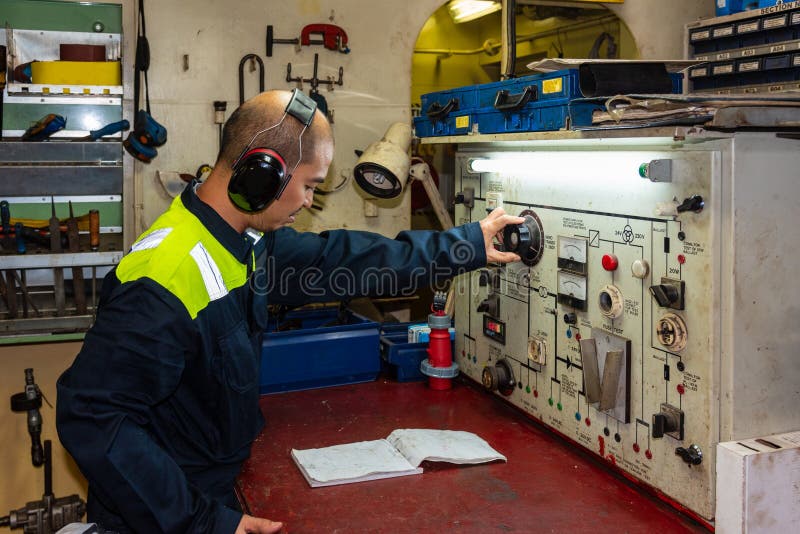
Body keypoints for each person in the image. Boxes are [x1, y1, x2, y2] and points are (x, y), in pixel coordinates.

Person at [56, 89, 524, 534]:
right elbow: (93, 416)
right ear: (263, 173)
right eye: (307, 186)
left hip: (214, 486)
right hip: (164, 513)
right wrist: (201, 522)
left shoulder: (241, 242)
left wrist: (464, 246)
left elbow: (341, 260)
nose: (306, 203)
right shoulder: (163, 277)